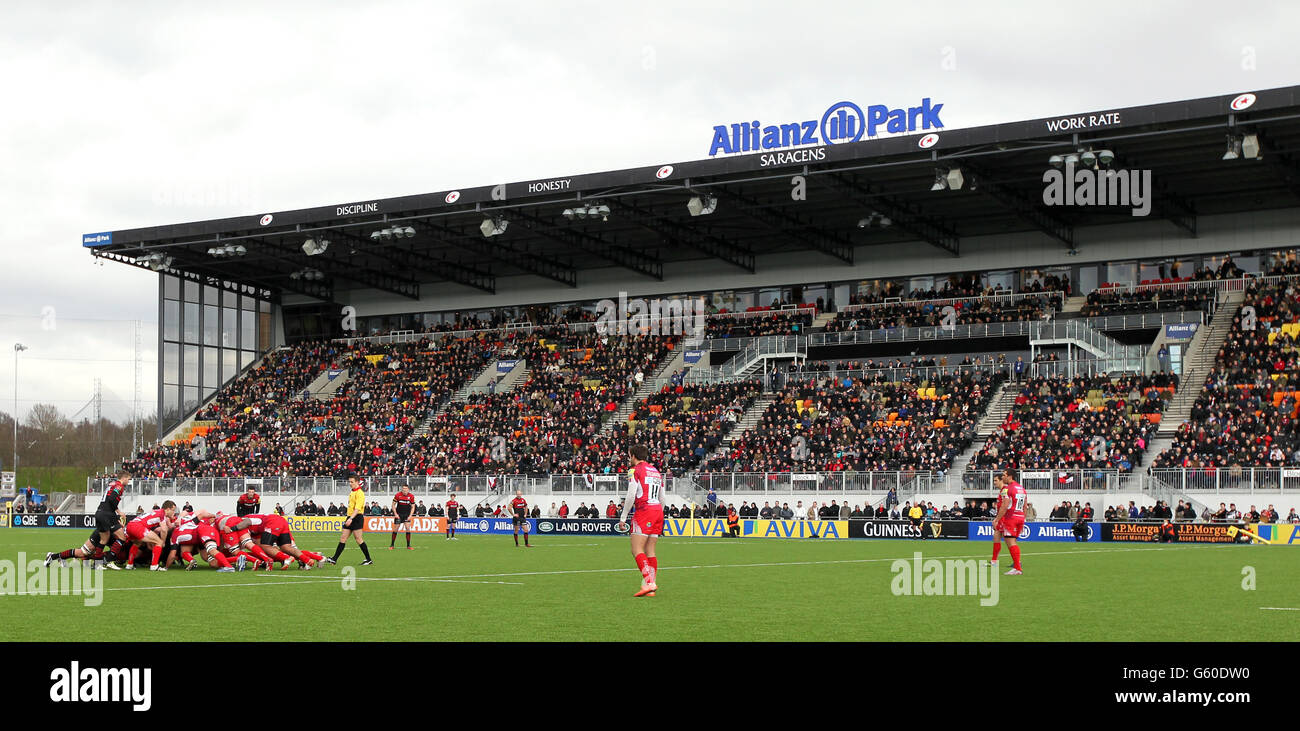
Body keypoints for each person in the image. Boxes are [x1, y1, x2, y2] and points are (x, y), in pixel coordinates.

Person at [618, 445, 663, 598]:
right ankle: (649, 587)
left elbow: (631, 494)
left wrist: (623, 517)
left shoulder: (635, 470)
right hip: (657, 510)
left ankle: (649, 583)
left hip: (645, 510)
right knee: (650, 550)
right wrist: (659, 511)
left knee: (637, 549)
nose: (629, 458)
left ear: (634, 456)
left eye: (629, 455)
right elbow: (662, 496)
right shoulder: (656, 471)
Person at [322, 474, 373, 566]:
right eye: (349, 482)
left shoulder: (360, 493)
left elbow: (357, 509)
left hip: (356, 517)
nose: (350, 483)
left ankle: (368, 559)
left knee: (358, 539)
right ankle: (334, 559)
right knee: (343, 537)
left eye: (352, 482)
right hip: (350, 517)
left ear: (357, 482)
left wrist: (351, 518)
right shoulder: (352, 492)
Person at [991, 470, 1026, 575]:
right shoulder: (1022, 489)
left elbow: (1005, 505)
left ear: (1010, 476)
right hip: (1020, 516)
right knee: (1011, 542)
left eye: (1004, 475)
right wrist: (1023, 520)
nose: (1003, 477)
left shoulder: (1008, 489)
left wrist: (997, 519)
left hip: (1011, 517)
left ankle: (1017, 568)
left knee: (1010, 542)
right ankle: (1016, 566)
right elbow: (1025, 505)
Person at [390, 484, 416, 550]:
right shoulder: (398, 495)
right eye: (403, 488)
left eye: (406, 488)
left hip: (407, 515)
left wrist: (410, 516)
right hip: (399, 514)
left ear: (408, 489)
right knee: (395, 529)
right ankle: (392, 544)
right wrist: (395, 514)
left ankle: (408, 545)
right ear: (402, 489)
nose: (404, 490)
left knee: (408, 528)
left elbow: (413, 507)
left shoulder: (411, 496)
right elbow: (393, 505)